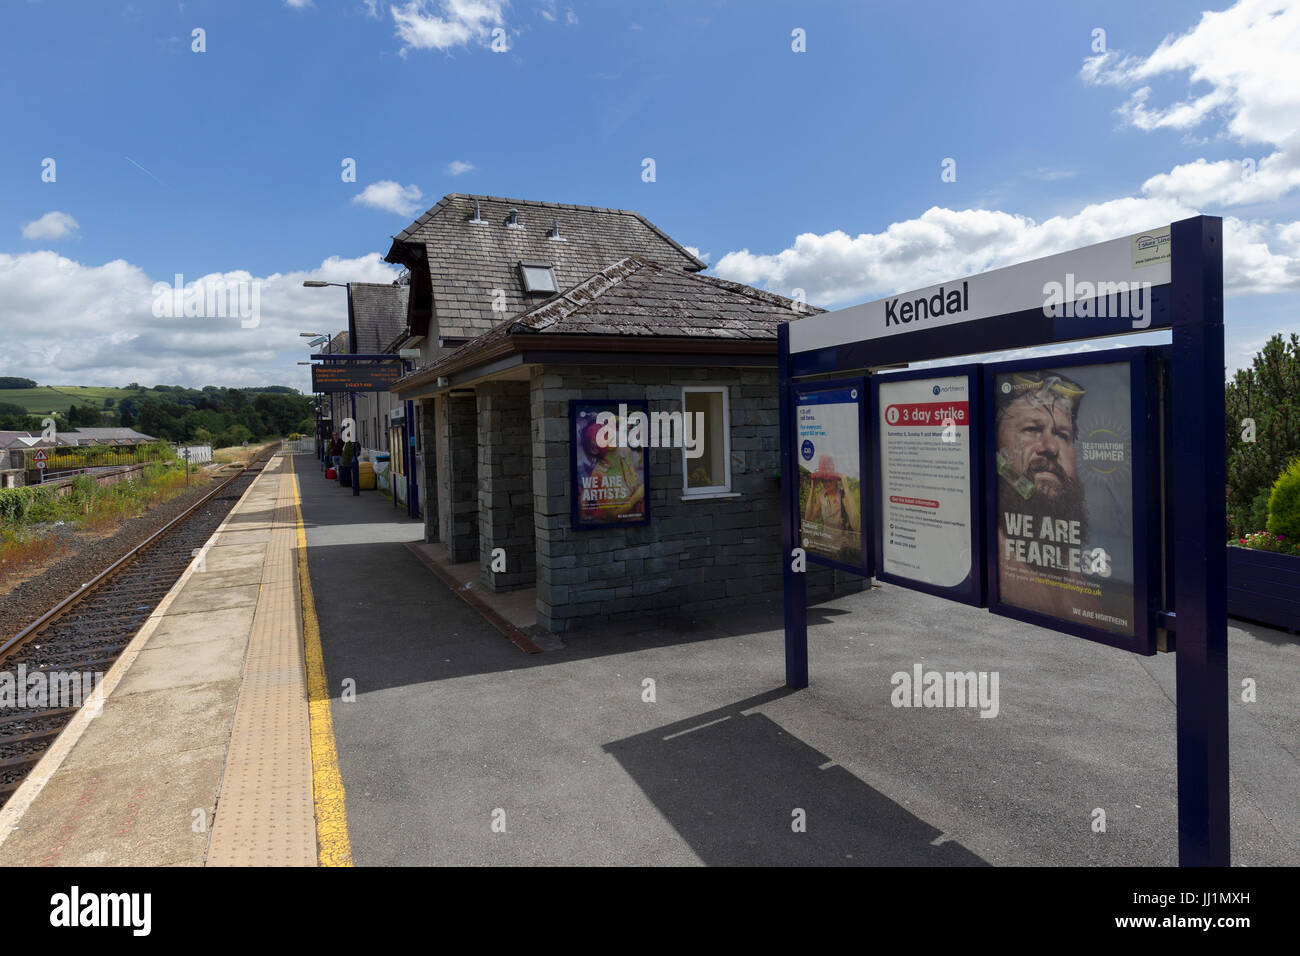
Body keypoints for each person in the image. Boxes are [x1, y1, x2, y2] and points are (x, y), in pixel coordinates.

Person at [993, 371, 1118, 629]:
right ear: (996, 453)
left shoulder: (1073, 574)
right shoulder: (983, 561)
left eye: (1062, 434)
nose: (1050, 446)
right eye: (1031, 429)